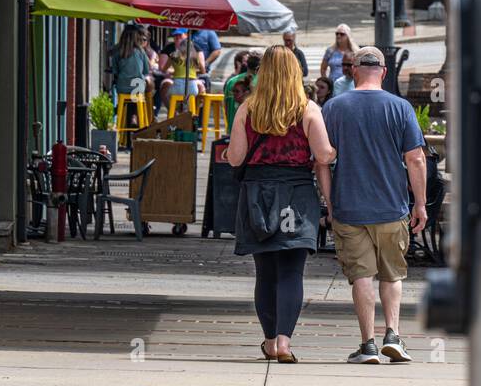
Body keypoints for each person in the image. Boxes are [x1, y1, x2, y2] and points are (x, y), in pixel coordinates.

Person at [318, 46, 427, 365]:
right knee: (392, 275)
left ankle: (367, 345)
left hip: (349, 207)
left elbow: (322, 162)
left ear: (352, 71)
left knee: (362, 276)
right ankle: (392, 335)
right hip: (392, 207)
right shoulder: (401, 108)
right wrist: (419, 203)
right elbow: (416, 159)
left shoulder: (334, 108)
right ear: (383, 71)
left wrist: (330, 202)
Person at [226, 45, 335, 363]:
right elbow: (324, 155)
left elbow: (235, 158)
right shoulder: (308, 108)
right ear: (295, 73)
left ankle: (270, 341)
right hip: (296, 195)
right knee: (291, 272)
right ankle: (285, 341)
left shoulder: (248, 108)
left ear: (264, 72)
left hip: (258, 194)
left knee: (265, 272)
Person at [159, 29, 206, 112]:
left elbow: (163, 69)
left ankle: (174, 112)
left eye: (179, 36)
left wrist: (174, 71)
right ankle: (191, 114)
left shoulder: (173, 55)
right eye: (175, 36)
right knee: (195, 96)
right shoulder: (195, 57)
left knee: (166, 94)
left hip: (177, 87)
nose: (177, 38)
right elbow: (203, 71)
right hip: (192, 89)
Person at [109, 25, 152, 100]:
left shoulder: (117, 51)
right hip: (138, 87)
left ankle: (124, 109)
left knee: (124, 99)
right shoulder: (140, 51)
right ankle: (143, 110)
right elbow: (146, 70)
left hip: (122, 87)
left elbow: (115, 71)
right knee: (148, 86)